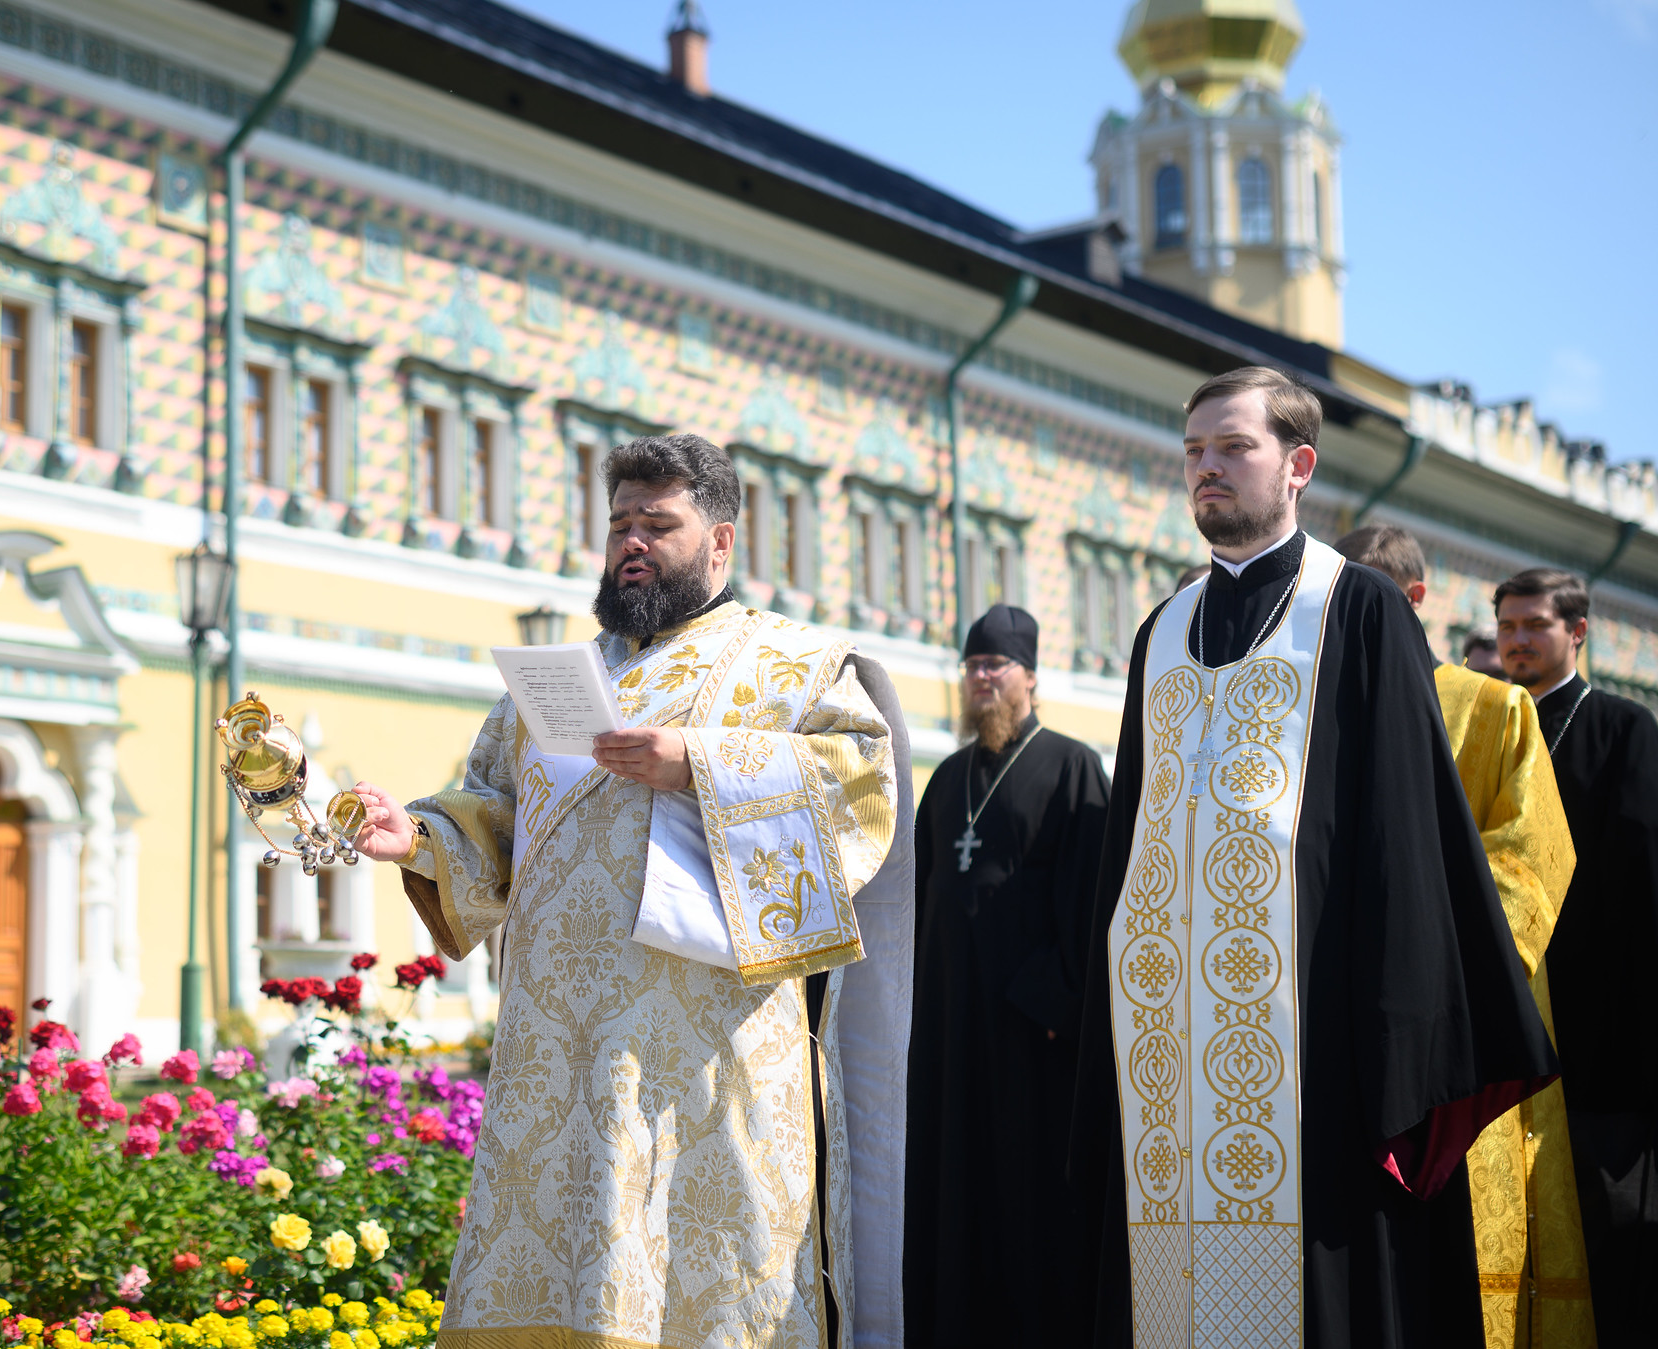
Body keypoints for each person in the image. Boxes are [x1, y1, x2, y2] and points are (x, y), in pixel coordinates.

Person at [350, 434, 914, 1348]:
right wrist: (412, 835)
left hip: (702, 1055)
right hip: (557, 1055)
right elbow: (496, 815)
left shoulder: (792, 663)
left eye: (660, 522)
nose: (633, 542)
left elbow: (858, 788)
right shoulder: (556, 679)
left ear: (721, 541)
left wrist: (696, 761)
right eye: (621, 523)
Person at [1073, 367, 1557, 1349]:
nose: (1205, 468)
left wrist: (1399, 1054)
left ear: (1296, 465)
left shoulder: (1359, 609)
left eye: (1231, 447)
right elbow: (1129, 847)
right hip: (1168, 1054)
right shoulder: (1157, 634)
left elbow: (1403, 843)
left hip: (1315, 1049)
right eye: (1192, 451)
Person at [1337, 525, 1591, 1348]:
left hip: (1460, 1024)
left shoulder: (1492, 706)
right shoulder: (1313, 713)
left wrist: (1438, 967)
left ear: (1412, 600)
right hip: (1351, 1025)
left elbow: (1535, 857)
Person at [905, 604, 1109, 1346]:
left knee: (1026, 1199)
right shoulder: (950, 777)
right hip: (952, 1028)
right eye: (973, 667)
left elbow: (1094, 898)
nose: (982, 678)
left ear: (1029, 676)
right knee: (954, 1187)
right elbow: (922, 893)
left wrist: (1058, 1000)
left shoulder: (1072, 765)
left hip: (1032, 1034)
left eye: (996, 666)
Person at [1495, 567, 1658, 1344]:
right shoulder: (1490, 728)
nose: (1518, 641)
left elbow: (1647, 896)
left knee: (1608, 1246)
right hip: (1507, 1027)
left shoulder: (1625, 732)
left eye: (1535, 626)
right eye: (1508, 627)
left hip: (1601, 1047)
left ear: (1578, 632)